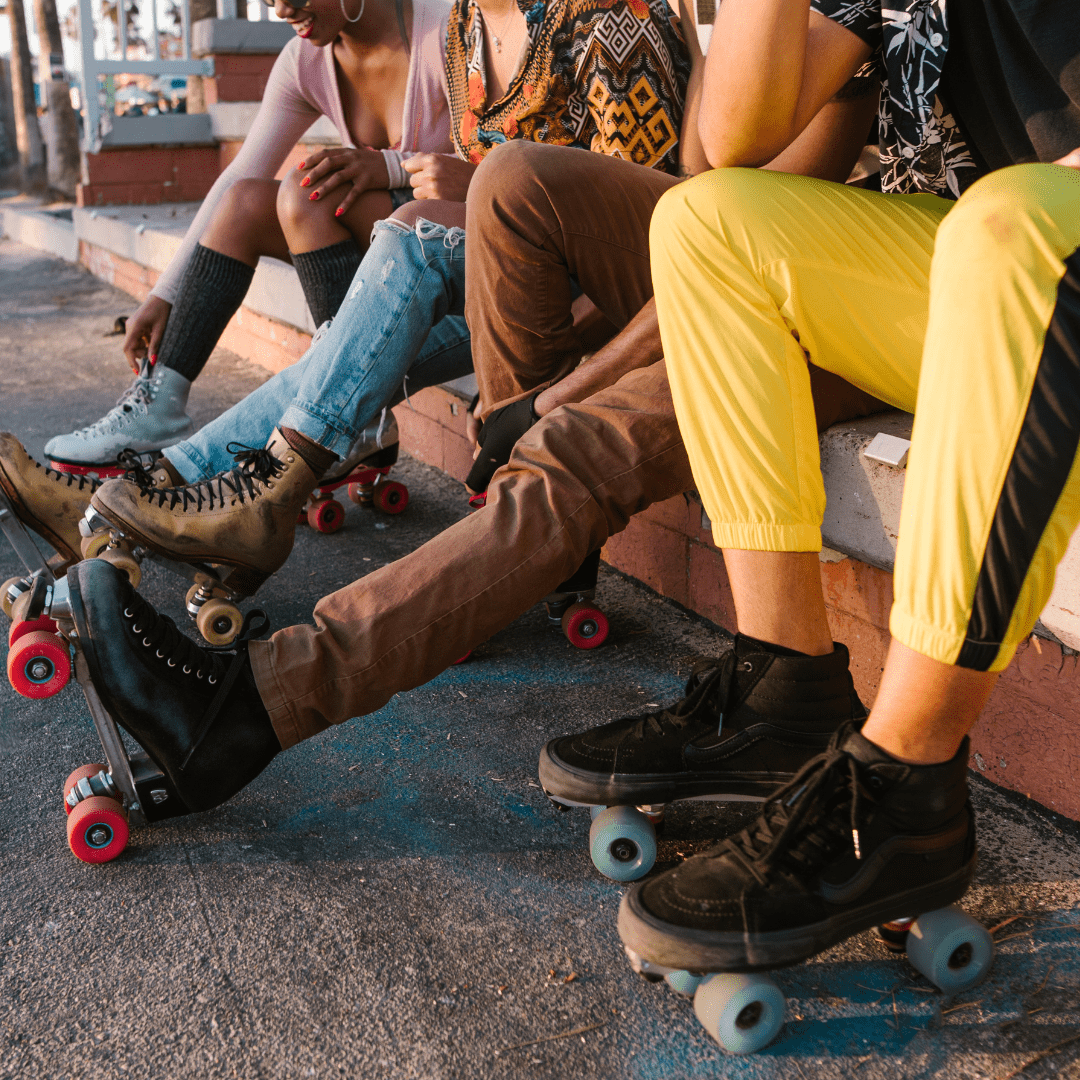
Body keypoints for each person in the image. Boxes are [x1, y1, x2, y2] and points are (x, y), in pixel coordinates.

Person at [27, 21, 892, 820]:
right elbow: (715, 172)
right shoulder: (469, 30)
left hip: (845, 287)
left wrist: (552, 399)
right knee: (513, 181)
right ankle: (238, 484)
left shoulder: (620, 21)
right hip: (782, 253)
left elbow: (727, 229)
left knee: (567, 437)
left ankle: (250, 703)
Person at [576, 0, 1080, 976]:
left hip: (1031, 239)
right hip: (1001, 259)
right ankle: (783, 691)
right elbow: (733, 140)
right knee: (708, 223)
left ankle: (906, 786)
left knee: (1008, 226)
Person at [58, 0, 695, 603]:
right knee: (356, 317)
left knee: (407, 242)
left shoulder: (606, 17)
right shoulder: (466, 24)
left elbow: (636, 229)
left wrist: (562, 362)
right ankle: (170, 481)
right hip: (508, 271)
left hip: (594, 291)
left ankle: (225, 489)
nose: (280, 8)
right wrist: (166, 291)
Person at [44, 0, 455, 475]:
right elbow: (241, 171)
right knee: (244, 202)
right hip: (385, 242)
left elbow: (498, 162)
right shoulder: (306, 60)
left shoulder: (442, 28)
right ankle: (159, 406)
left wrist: (389, 166)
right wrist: (166, 294)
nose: (281, 9)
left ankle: (352, 415)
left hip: (449, 240)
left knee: (310, 193)